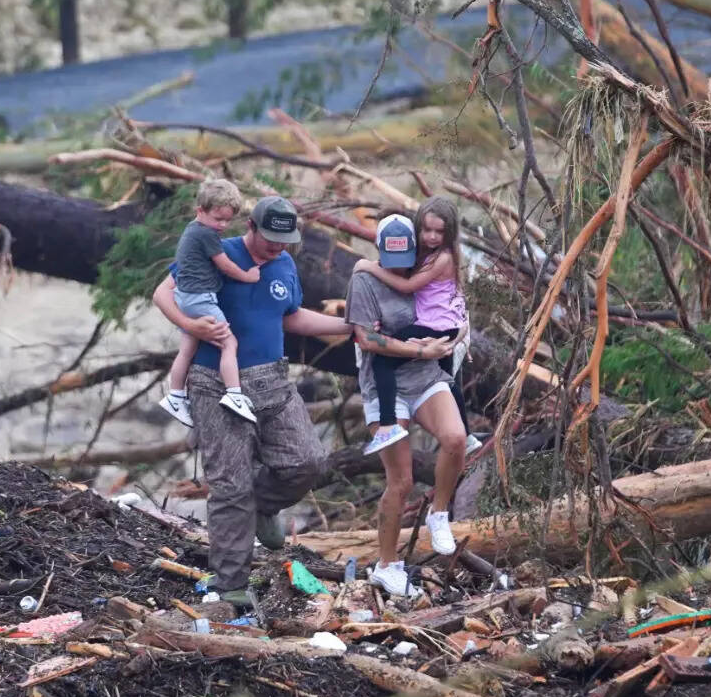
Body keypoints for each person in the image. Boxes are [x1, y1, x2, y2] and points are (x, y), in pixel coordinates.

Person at [151, 195, 353, 606]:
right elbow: (162, 294)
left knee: (307, 460)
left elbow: (290, 316)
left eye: (285, 240)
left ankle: (261, 506)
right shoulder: (215, 250)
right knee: (229, 486)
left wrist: (346, 324)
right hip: (215, 384)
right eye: (270, 238)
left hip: (273, 381)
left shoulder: (284, 263)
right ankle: (231, 586)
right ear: (251, 227)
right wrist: (192, 325)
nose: (277, 246)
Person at [345, 204, 471, 598]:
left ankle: (440, 513)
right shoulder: (364, 281)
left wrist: (451, 337)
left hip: (425, 376)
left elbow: (449, 305)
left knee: (455, 438)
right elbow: (366, 340)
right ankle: (387, 565)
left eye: (405, 257)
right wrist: (416, 349)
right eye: (391, 259)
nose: (400, 265)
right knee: (400, 481)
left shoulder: (426, 261)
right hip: (386, 386)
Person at [352, 200, 476, 457]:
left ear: (450, 232)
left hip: (435, 327)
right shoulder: (432, 255)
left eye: (439, 232)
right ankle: (469, 434)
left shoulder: (442, 258)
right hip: (446, 326)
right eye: (426, 230)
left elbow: (408, 287)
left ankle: (388, 425)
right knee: (448, 378)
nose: (431, 237)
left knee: (382, 362)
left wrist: (369, 266)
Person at [158, 178, 260, 427]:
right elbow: (224, 265)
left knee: (187, 349)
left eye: (227, 220)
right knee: (229, 342)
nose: (223, 225)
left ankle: (175, 395)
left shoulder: (194, 229)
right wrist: (248, 276)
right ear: (200, 210)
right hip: (199, 298)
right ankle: (234, 394)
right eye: (218, 219)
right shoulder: (207, 235)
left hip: (185, 297)